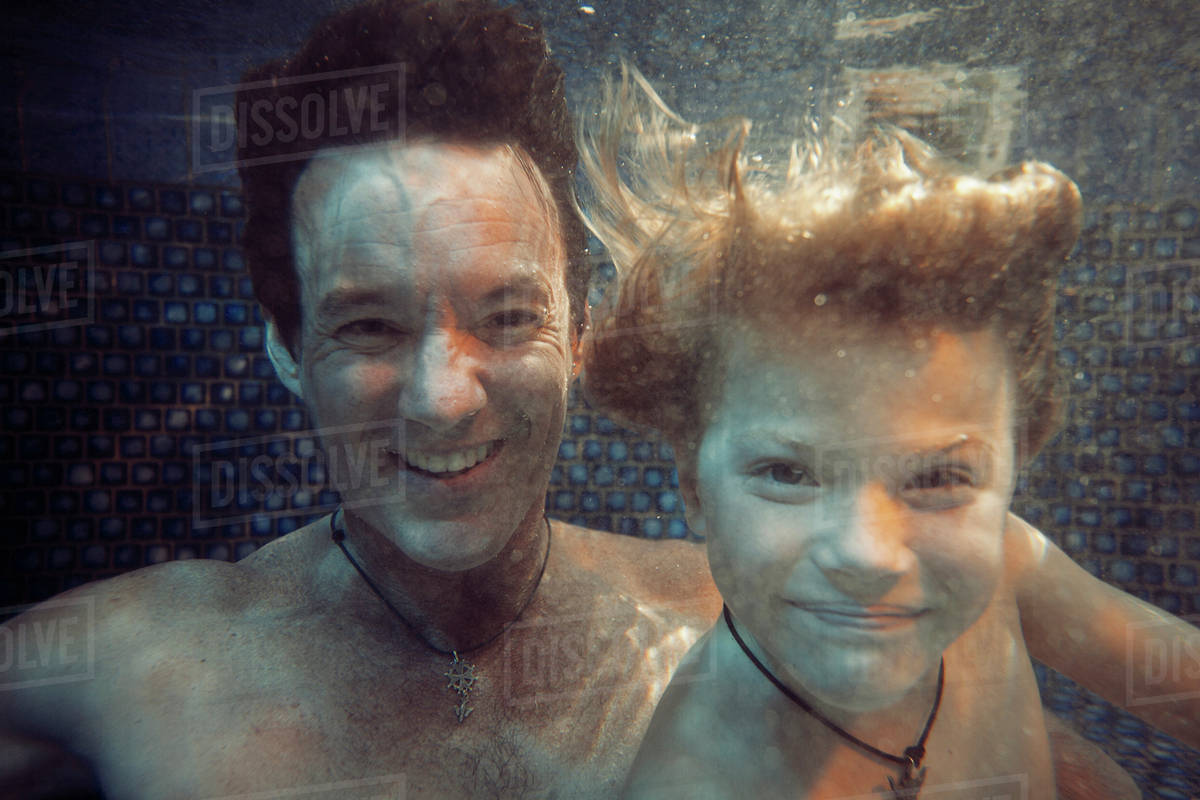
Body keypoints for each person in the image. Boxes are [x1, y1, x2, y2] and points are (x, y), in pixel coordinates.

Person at [0, 5, 721, 798]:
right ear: (284, 342)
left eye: (510, 318)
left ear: (581, 333)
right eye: (370, 326)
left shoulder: (729, 627)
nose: (444, 400)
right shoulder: (123, 670)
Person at [578, 68, 1200, 799]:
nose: (867, 555)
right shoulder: (698, 780)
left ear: (1013, 472)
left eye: (938, 478)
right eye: (788, 473)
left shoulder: (1006, 569)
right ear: (692, 487)